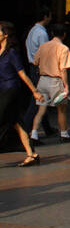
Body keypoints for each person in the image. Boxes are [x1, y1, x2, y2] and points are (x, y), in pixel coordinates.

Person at [0, 22, 44, 165]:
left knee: (3, 119)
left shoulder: (12, 52)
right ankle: (32, 154)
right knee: (17, 123)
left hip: (11, 89)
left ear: (5, 34)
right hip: (2, 89)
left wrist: (35, 91)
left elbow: (22, 74)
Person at [31, 23, 70, 142]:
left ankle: (34, 134)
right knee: (61, 109)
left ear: (52, 34)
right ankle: (64, 134)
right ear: (64, 35)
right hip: (56, 81)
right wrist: (66, 86)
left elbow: (35, 61)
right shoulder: (64, 49)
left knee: (41, 109)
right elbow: (63, 69)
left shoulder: (43, 46)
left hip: (43, 80)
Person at [22, 7, 51, 135]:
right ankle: (26, 129)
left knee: (42, 99)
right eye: (50, 15)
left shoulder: (32, 30)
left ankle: (47, 127)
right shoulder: (42, 33)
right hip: (39, 67)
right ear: (45, 16)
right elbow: (45, 52)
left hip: (33, 66)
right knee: (37, 100)